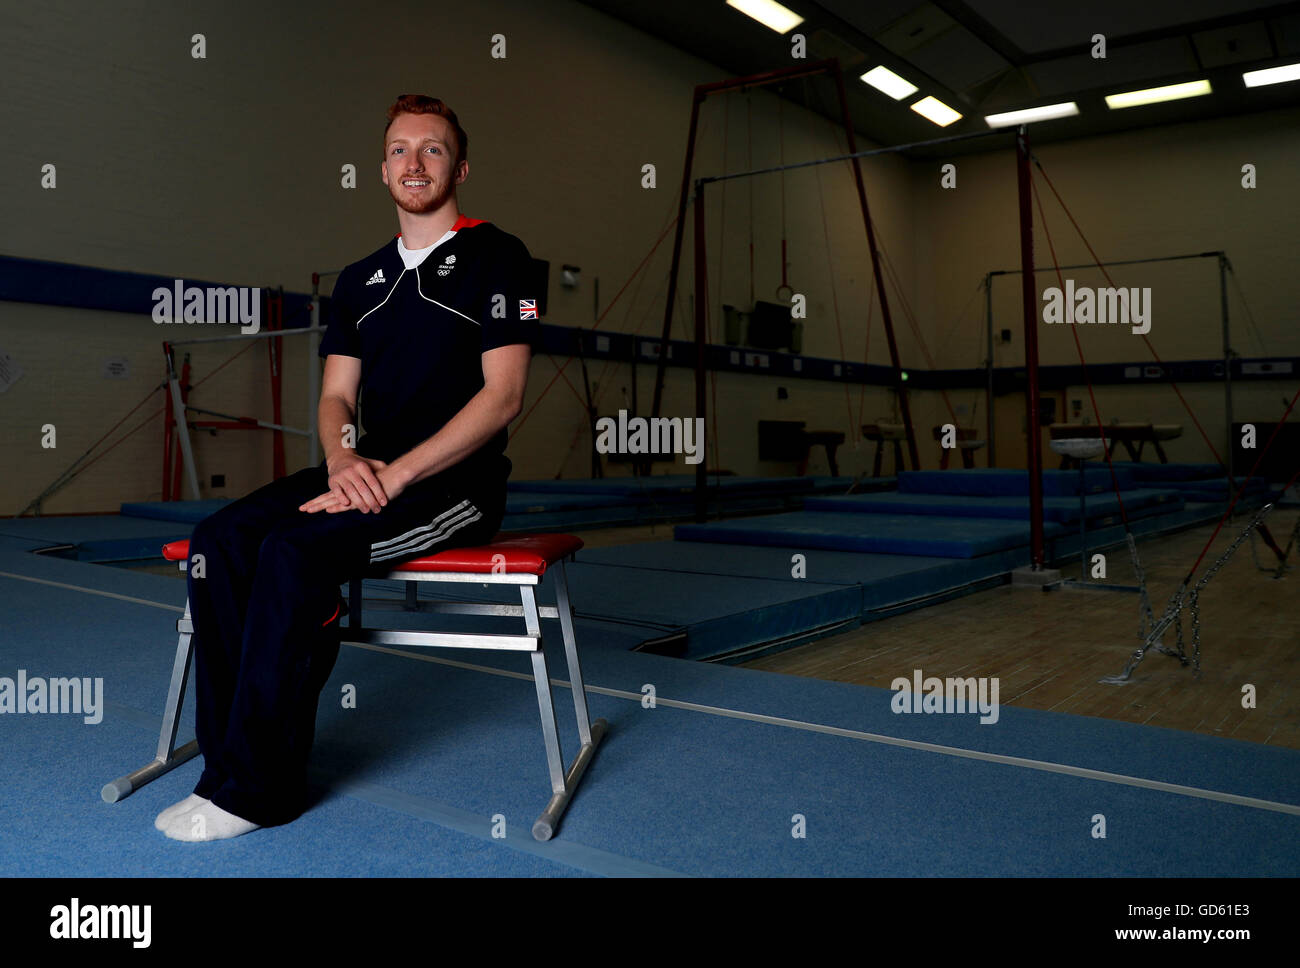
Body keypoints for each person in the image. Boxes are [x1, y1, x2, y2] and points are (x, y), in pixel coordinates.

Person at [156, 94, 539, 841]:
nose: (414, 162)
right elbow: (335, 395)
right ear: (381, 169)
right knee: (218, 544)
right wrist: (342, 457)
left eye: (432, 149)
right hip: (361, 468)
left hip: (449, 487)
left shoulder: (499, 256)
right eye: (399, 149)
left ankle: (260, 788)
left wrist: (393, 478)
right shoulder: (361, 279)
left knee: (292, 555)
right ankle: (224, 767)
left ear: (459, 166)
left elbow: (503, 398)